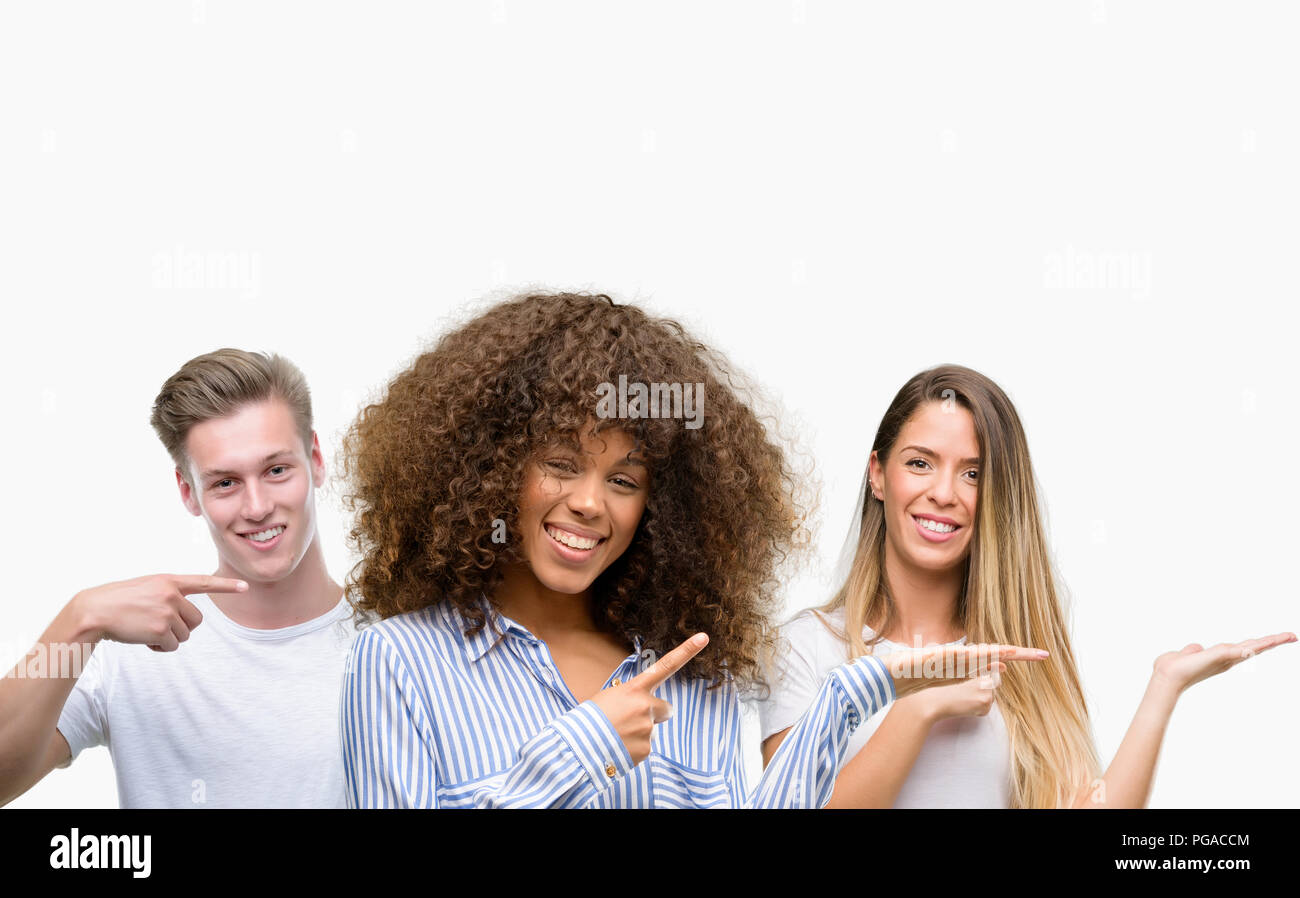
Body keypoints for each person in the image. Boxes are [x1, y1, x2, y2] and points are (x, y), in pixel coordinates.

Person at [337, 293, 1044, 808]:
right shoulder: (398, 665)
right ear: (489, 467)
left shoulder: (692, 678)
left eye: (622, 480)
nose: (589, 501)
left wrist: (861, 691)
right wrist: (580, 750)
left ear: (660, 507)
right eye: (559, 463)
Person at [758, 364, 1295, 808]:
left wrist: (1164, 688)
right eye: (920, 463)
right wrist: (917, 708)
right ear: (877, 473)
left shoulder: (1016, 654)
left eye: (973, 473)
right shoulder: (805, 649)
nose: (944, 492)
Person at [0, 348, 356, 808]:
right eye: (225, 482)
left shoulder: (395, 642)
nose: (257, 506)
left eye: (276, 470)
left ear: (316, 458)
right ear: (188, 492)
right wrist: (78, 620)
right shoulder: (128, 654)